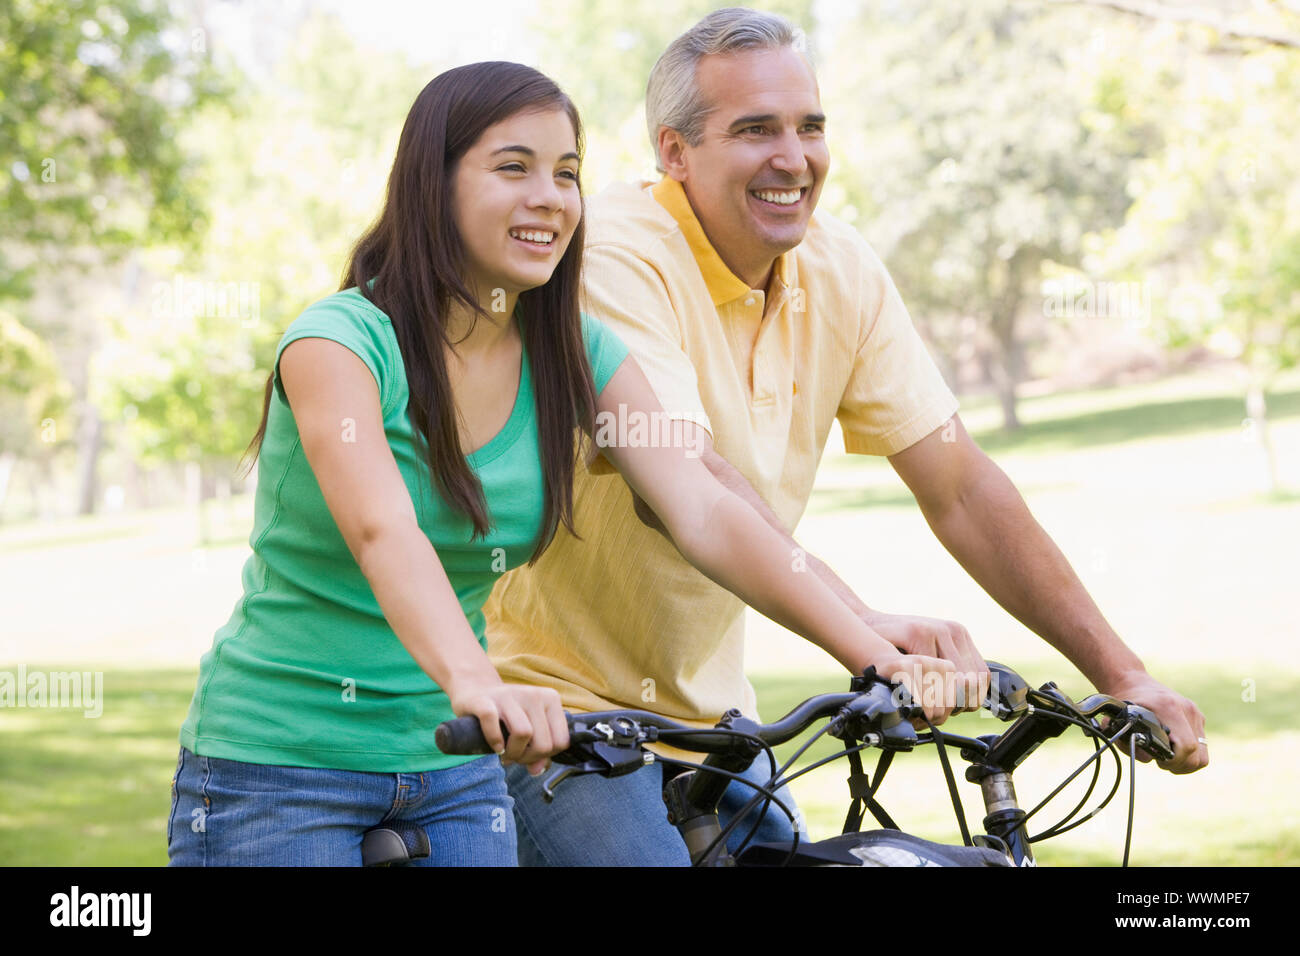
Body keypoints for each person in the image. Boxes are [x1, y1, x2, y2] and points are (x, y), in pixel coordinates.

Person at [168, 59, 960, 867]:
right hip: (277, 768)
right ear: (430, 185)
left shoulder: (575, 353)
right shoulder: (337, 344)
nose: (549, 196)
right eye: (513, 168)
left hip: (454, 768)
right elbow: (383, 533)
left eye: (568, 173)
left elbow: (705, 506)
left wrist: (867, 650)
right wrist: (477, 680)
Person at [485, 7, 1209, 866]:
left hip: (713, 721)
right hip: (546, 712)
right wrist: (868, 634)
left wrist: (1120, 674)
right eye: (756, 129)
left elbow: (962, 485)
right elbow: (688, 489)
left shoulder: (841, 268)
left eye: (810, 126)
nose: (793, 158)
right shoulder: (612, 253)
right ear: (674, 154)